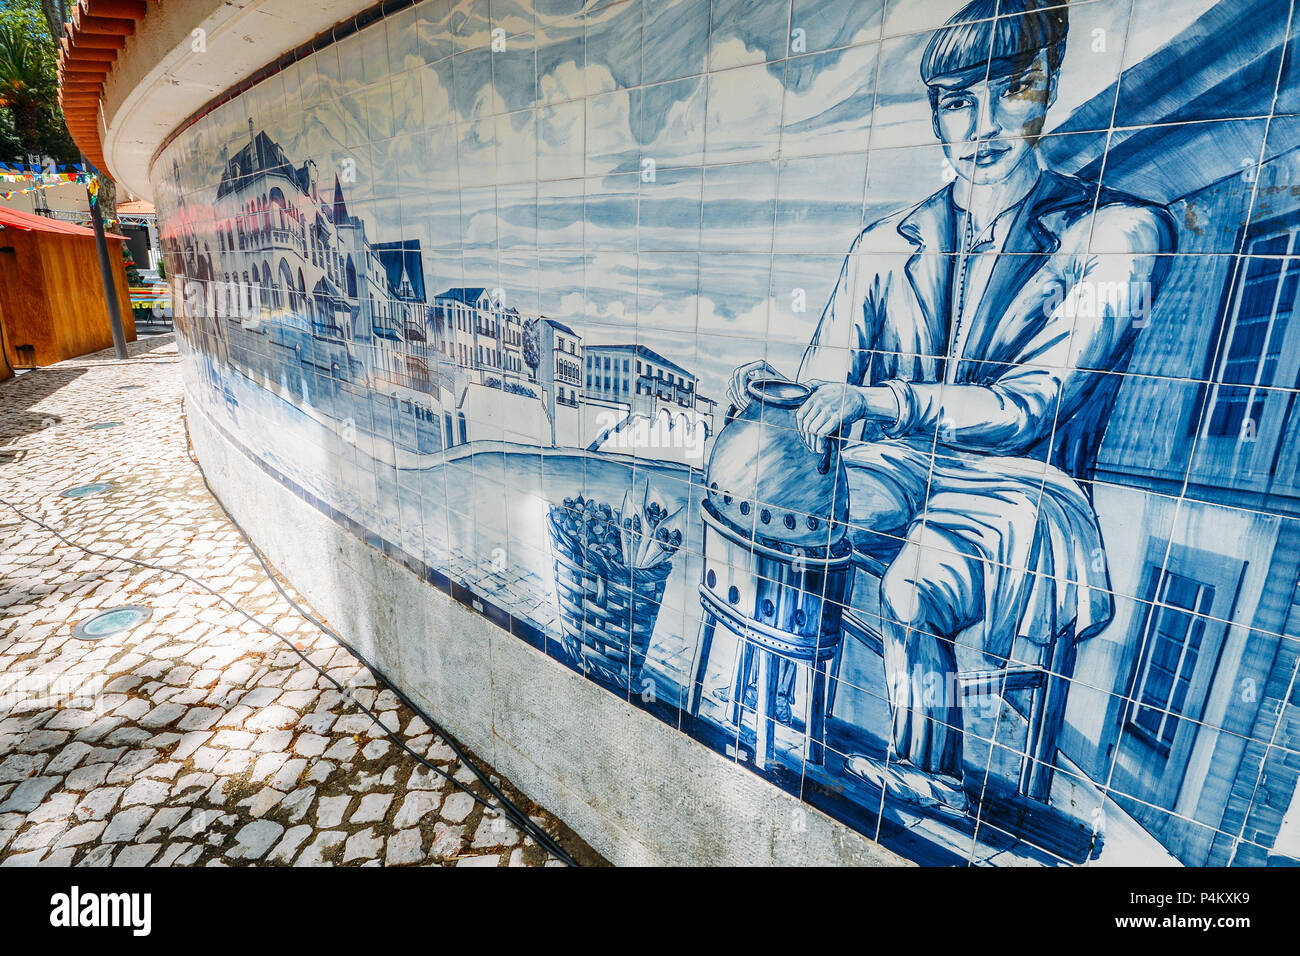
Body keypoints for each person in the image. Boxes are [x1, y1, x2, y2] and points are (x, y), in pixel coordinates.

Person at [727, 0, 1177, 813]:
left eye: (1014, 89)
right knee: (798, 505)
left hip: (1021, 485)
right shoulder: (885, 244)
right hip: (900, 462)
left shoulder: (1115, 235)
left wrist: (879, 398)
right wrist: (780, 395)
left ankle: (926, 776)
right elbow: (830, 386)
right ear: (935, 112)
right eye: (957, 102)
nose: (983, 123)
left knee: (912, 588)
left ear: (1047, 86)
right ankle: (776, 710)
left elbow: (1027, 407)